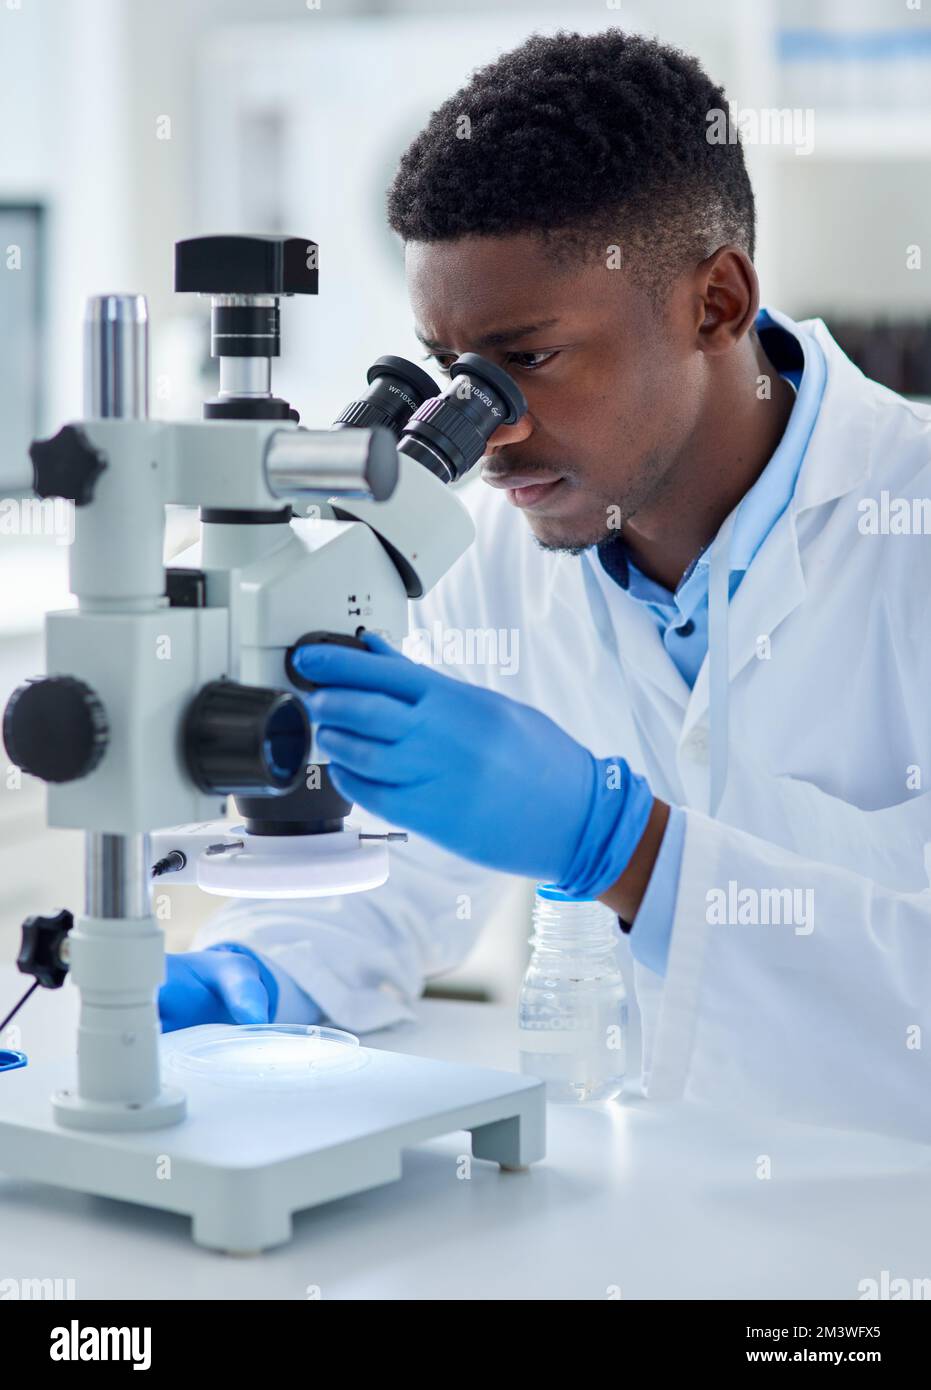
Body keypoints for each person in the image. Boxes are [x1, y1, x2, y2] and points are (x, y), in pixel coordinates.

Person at [161, 30, 931, 1140]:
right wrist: (230, 985)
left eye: (525, 360)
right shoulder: (496, 546)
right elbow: (404, 884)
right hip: (643, 1212)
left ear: (715, 302)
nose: (487, 430)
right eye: (450, 373)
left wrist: (622, 846)